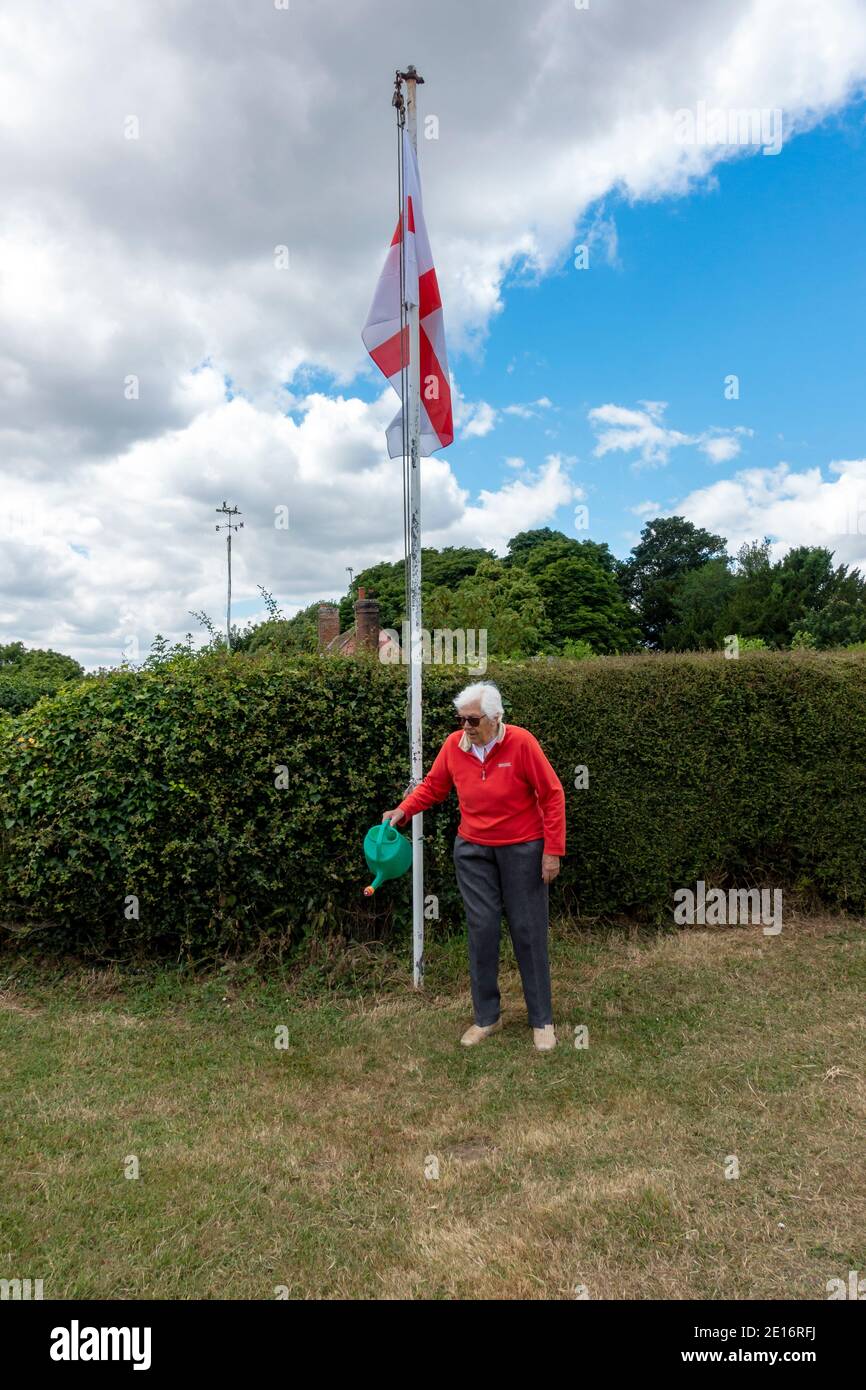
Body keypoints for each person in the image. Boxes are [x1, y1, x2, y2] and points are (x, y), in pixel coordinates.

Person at [383, 680, 565, 1052]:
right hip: (473, 850)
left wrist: (552, 851)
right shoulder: (454, 745)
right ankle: (487, 1017)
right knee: (481, 931)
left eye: (472, 719)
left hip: (522, 849)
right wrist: (404, 810)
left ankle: (541, 1020)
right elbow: (434, 786)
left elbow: (552, 793)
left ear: (496, 718)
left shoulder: (522, 743)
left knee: (528, 931)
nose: (465, 726)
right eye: (461, 719)